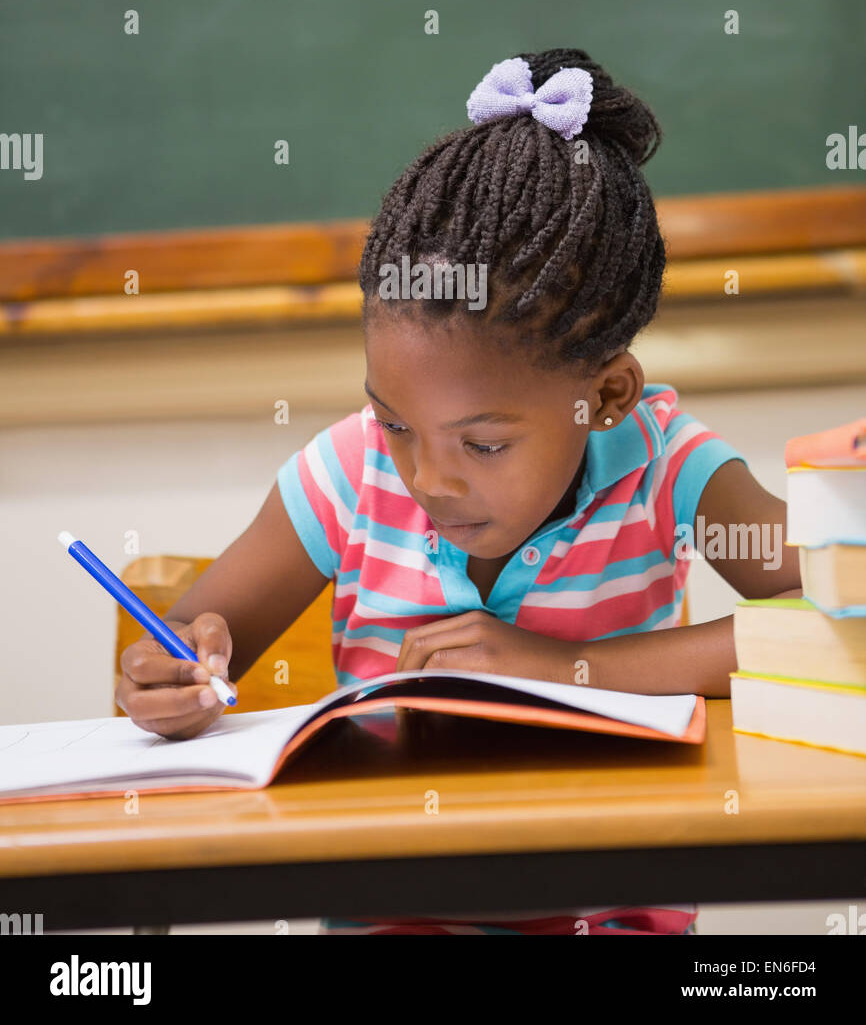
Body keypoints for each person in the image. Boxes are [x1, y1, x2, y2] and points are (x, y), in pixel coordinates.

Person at [117, 47, 803, 934]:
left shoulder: (666, 471)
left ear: (606, 396)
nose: (428, 478)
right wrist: (171, 675)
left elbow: (843, 607)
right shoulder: (349, 474)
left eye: (483, 442)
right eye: (395, 423)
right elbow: (188, 650)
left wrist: (565, 672)